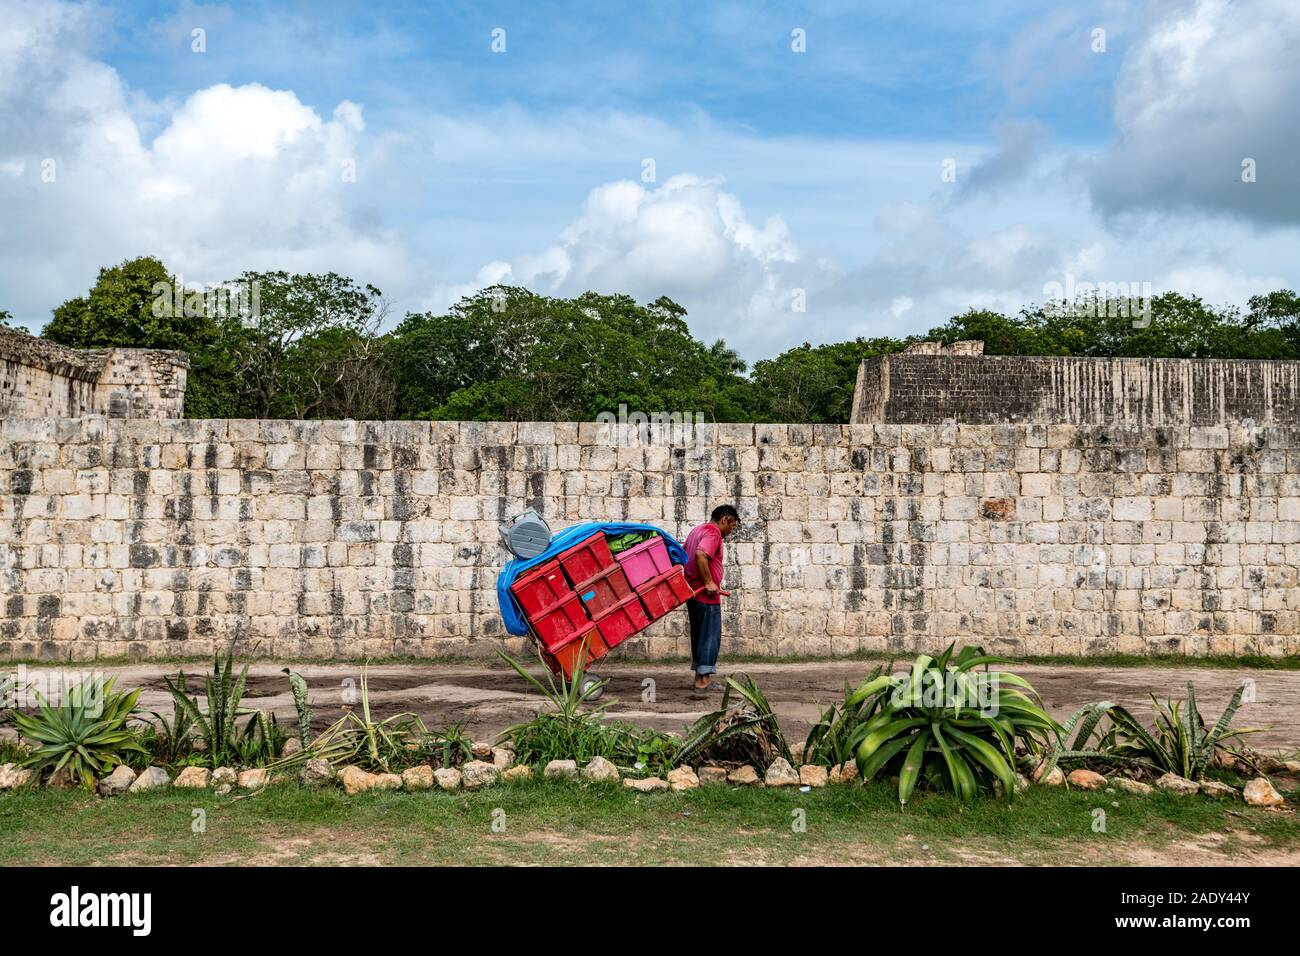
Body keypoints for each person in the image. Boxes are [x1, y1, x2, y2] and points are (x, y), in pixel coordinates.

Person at [682, 504, 739, 695]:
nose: (730, 531)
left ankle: (700, 678)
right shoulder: (712, 532)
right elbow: (700, 554)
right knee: (709, 637)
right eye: (732, 526)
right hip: (705, 595)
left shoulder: (696, 531)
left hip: (693, 593)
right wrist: (708, 582)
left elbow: (685, 555)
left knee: (700, 636)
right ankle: (703, 681)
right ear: (725, 520)